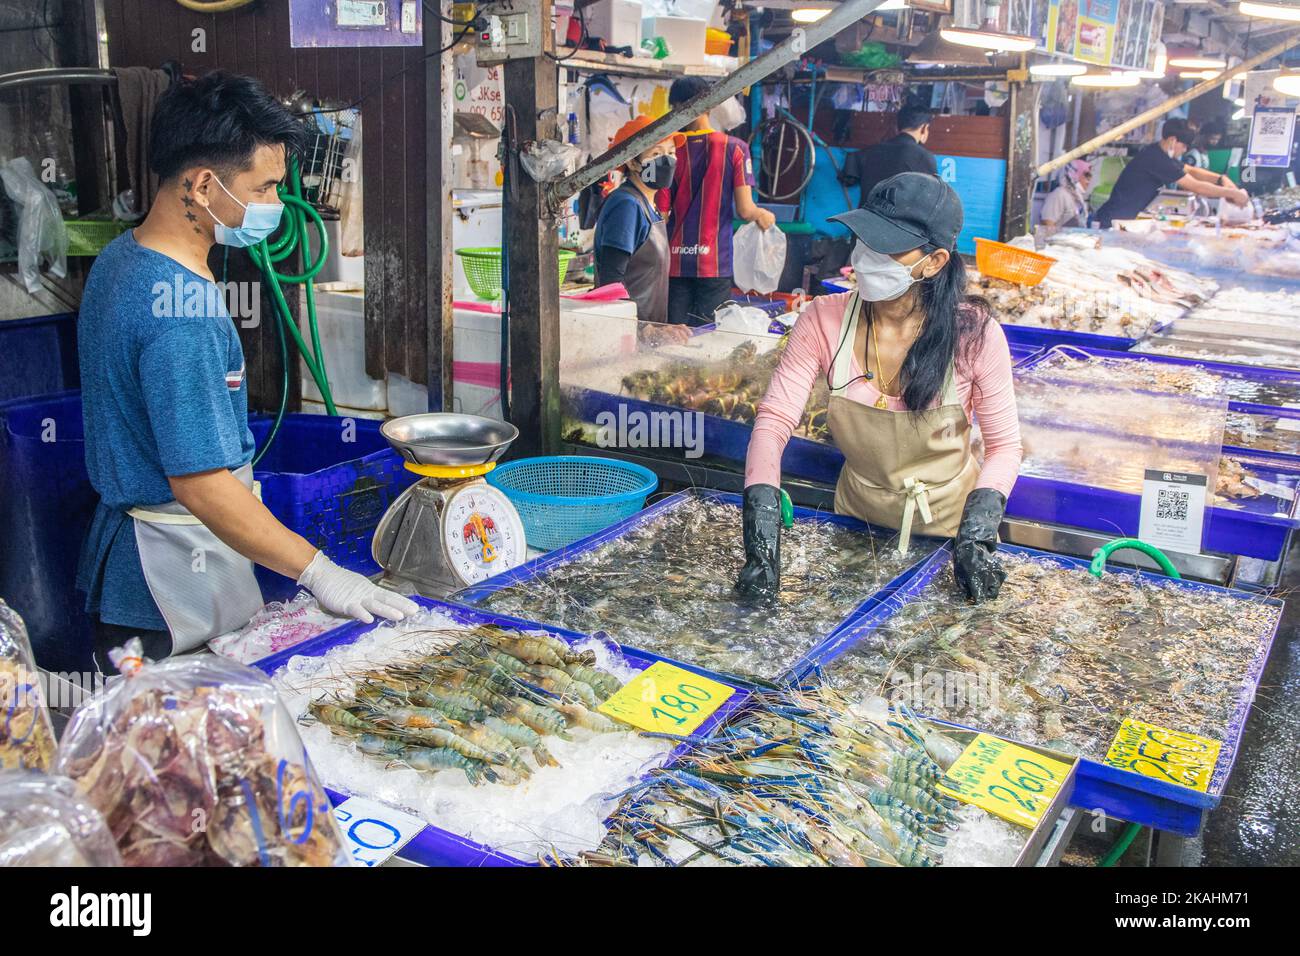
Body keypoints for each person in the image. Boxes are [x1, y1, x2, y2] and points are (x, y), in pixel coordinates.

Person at [75, 71, 418, 671]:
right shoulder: (179, 314)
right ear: (205, 185)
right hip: (167, 586)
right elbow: (201, 483)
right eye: (264, 188)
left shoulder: (121, 259)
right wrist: (322, 573)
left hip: (144, 569)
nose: (276, 206)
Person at [735, 173, 1021, 605]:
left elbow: (1004, 447)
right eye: (865, 238)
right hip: (854, 524)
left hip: (947, 532)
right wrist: (761, 519)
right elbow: (774, 421)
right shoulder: (823, 320)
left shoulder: (974, 334)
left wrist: (977, 535)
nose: (867, 255)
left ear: (935, 261)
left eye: (887, 245)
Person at [665, 75, 776, 327]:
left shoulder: (669, 148)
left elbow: (660, 210)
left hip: (675, 263)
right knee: (707, 337)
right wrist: (762, 215)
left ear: (674, 106)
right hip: (713, 263)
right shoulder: (734, 148)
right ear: (709, 105)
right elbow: (746, 210)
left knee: (674, 336)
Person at [593, 116, 685, 324]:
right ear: (633, 162)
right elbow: (611, 283)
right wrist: (642, 331)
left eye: (671, 153)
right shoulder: (627, 205)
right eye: (655, 154)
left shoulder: (649, 205)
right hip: (627, 333)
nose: (667, 161)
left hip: (647, 334)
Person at [1093, 118, 1249, 228]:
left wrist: (1221, 178)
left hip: (1122, 219)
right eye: (1184, 146)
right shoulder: (1156, 159)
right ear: (1173, 140)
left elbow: (1190, 170)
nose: (1185, 150)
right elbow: (1196, 186)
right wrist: (1233, 194)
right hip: (1111, 222)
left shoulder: (1159, 153)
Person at [841, 105, 940, 204]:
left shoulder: (869, 152)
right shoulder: (924, 157)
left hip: (866, 217)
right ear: (924, 128)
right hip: (899, 219)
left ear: (897, 127)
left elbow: (848, 177)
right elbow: (931, 198)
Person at [1039, 159, 1093, 231]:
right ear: (1074, 174)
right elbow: (1047, 222)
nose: (1089, 180)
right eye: (1086, 175)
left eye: (1090, 176)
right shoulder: (1059, 194)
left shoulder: (1078, 197)